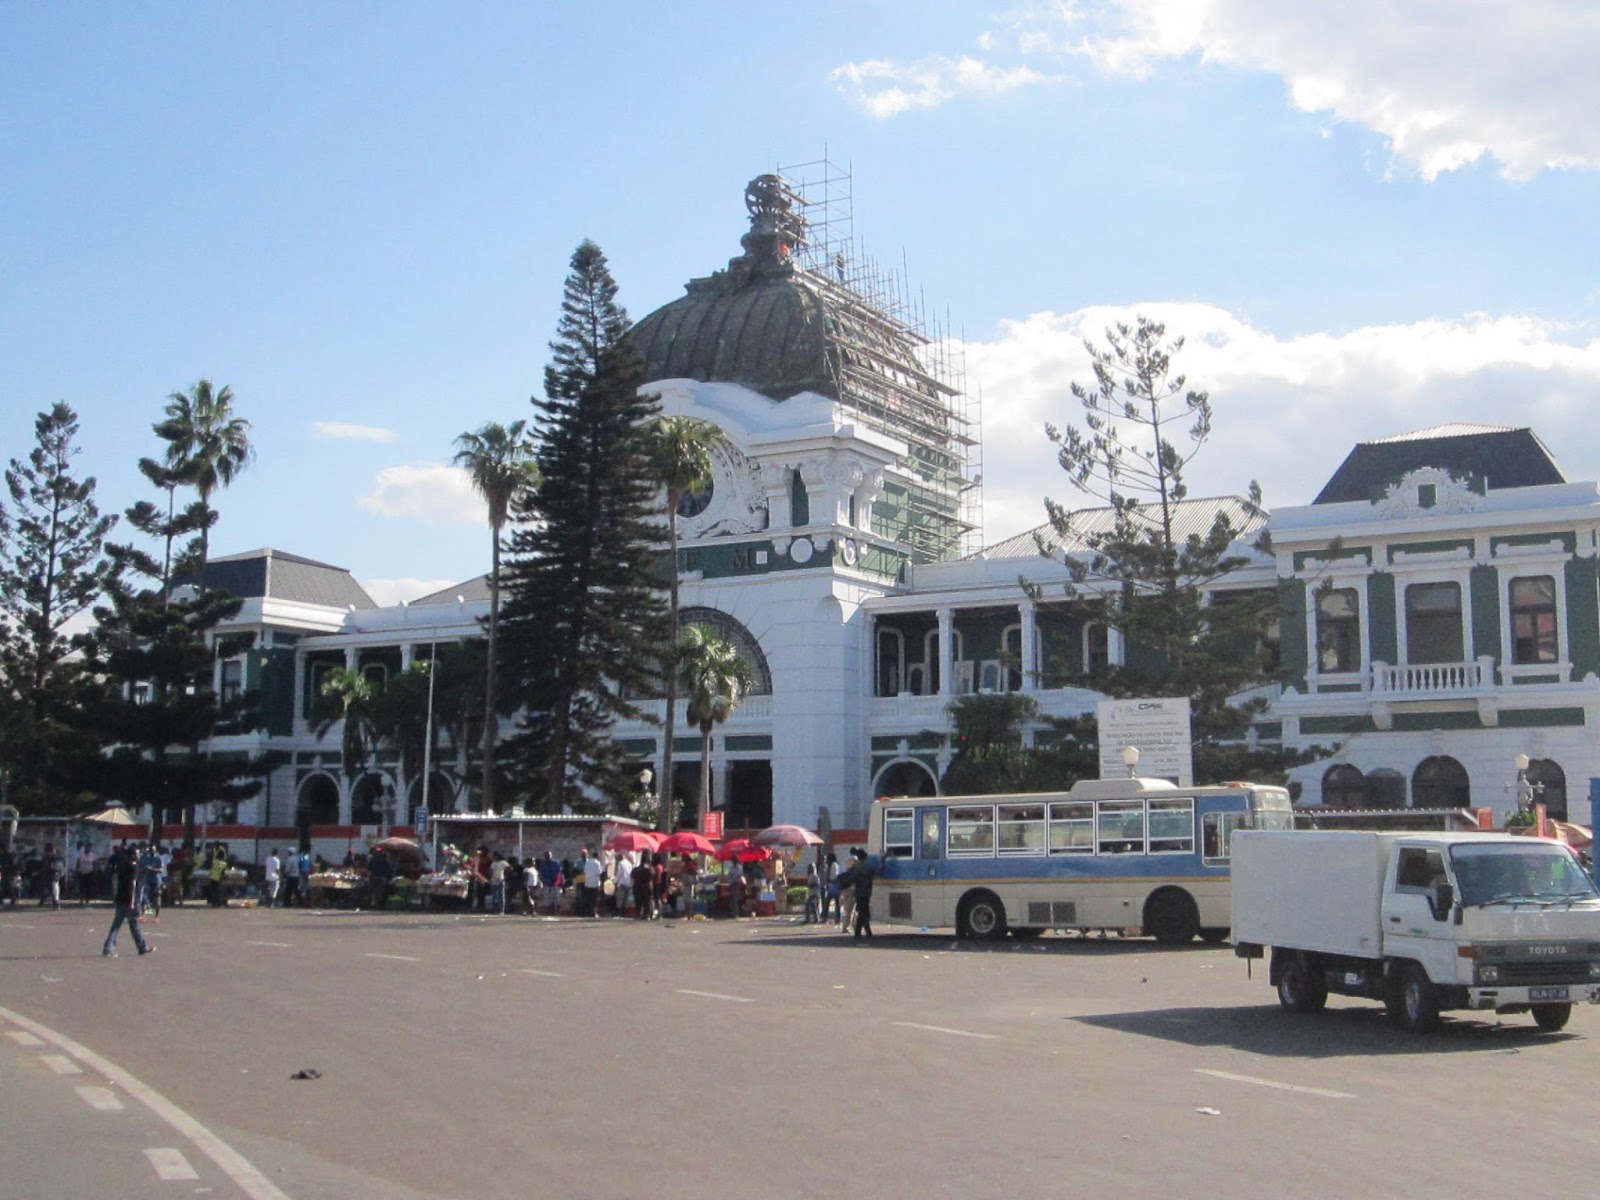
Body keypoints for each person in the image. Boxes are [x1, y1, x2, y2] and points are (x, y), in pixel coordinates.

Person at [102, 847, 153, 958]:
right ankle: (141, 947)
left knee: (117, 925)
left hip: (120, 898)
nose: (139, 855)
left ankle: (108, 947)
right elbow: (133, 885)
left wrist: (115, 897)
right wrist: (132, 901)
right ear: (132, 855)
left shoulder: (122, 866)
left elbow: (117, 882)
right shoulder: (133, 867)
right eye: (137, 854)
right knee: (134, 925)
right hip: (129, 900)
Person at [844, 848, 874, 940]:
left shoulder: (855, 867)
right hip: (866, 892)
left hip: (858, 892)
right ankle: (863, 932)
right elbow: (878, 872)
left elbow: (849, 877)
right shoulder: (868, 866)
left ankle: (861, 932)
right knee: (864, 912)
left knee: (862, 911)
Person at [580, 848, 603, 918]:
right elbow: (599, 873)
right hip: (595, 884)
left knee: (588, 899)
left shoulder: (587, 862)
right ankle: (594, 913)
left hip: (587, 883)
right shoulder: (598, 863)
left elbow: (584, 872)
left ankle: (587, 912)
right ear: (597, 856)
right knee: (594, 900)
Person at [631, 854, 655, 919]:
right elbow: (652, 878)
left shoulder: (635, 869)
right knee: (647, 902)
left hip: (638, 887)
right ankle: (647, 915)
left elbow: (632, 880)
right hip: (647, 887)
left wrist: (632, 888)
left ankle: (638, 914)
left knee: (638, 902)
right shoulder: (650, 869)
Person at [822, 852, 841, 925]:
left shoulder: (833, 865)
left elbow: (835, 876)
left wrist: (830, 880)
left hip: (834, 886)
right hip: (832, 886)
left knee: (830, 902)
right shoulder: (832, 865)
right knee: (835, 903)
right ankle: (836, 918)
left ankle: (828, 918)